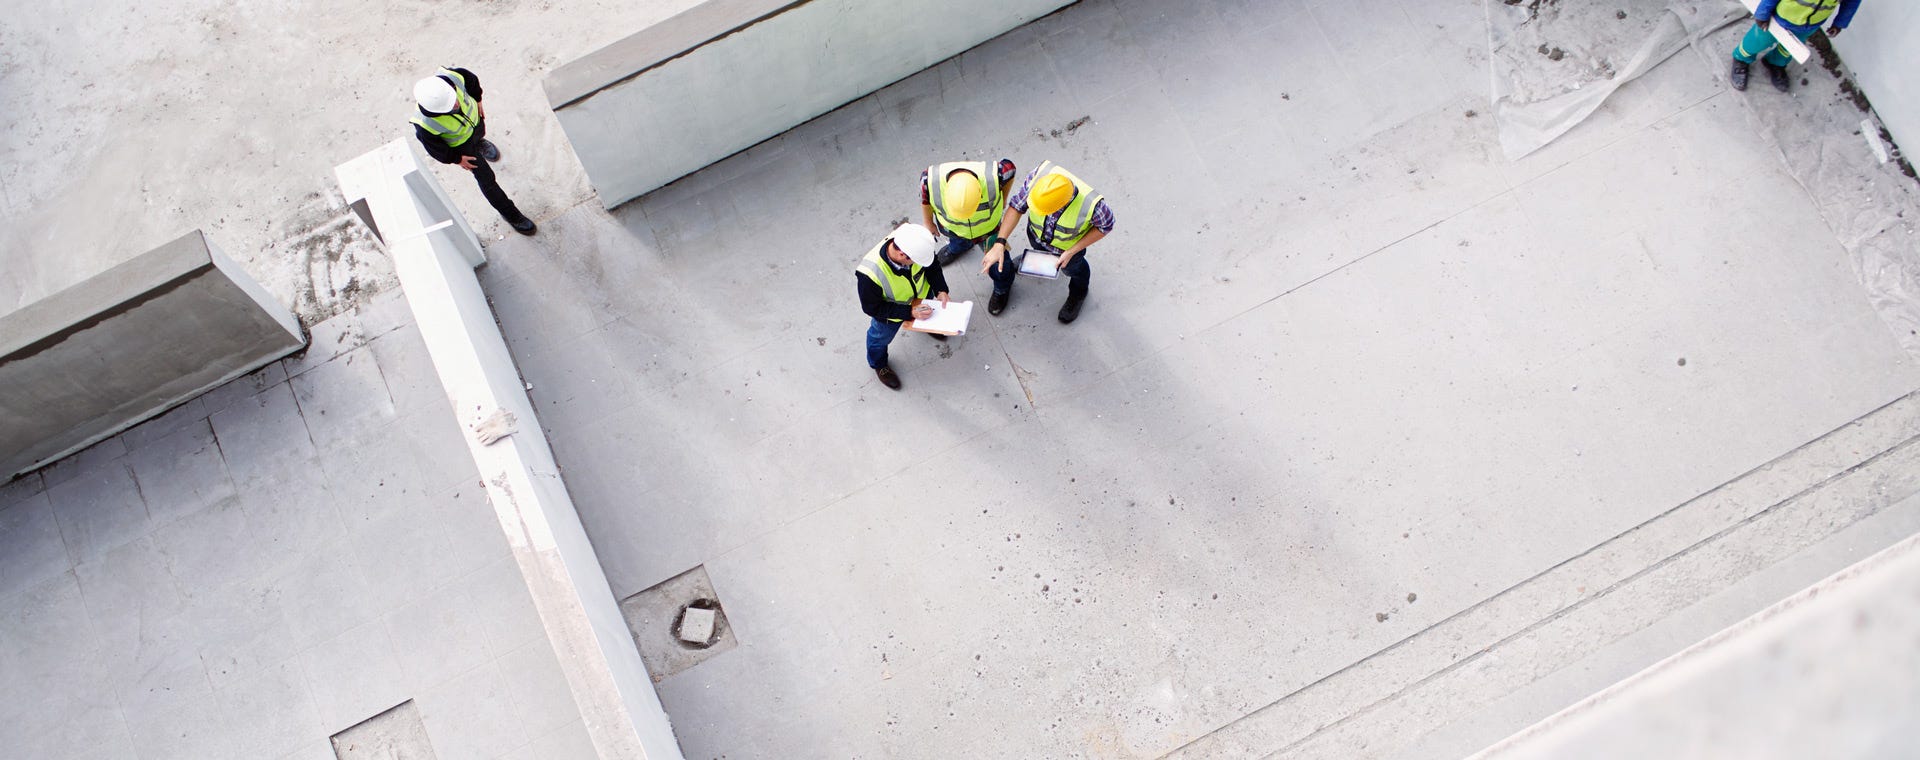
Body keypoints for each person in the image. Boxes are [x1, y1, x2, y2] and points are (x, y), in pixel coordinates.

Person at [978, 161, 1114, 324]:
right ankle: (1033, 260)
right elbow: (1016, 207)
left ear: (1061, 205)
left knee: (1076, 270)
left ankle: (1078, 293)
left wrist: (1072, 251)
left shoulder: (1093, 205)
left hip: (1067, 251)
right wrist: (999, 243)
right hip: (1037, 237)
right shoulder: (1038, 179)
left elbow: (1106, 226)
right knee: (1038, 250)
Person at [411, 68, 537, 235]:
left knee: (479, 133)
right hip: (463, 148)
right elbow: (435, 149)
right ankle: (511, 215)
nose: (455, 105)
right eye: (448, 107)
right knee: (487, 181)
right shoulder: (424, 124)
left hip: (475, 124)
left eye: (453, 99)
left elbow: (471, 79)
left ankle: (480, 143)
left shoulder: (452, 77)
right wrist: (457, 159)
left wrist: (477, 100)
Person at [855, 224, 948, 390]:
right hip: (890, 315)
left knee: (927, 314)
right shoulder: (869, 275)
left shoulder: (916, 245)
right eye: (915, 261)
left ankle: (926, 325)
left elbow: (932, 267)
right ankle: (879, 364)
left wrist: (941, 290)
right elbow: (872, 308)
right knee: (878, 339)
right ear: (902, 254)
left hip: (922, 297)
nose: (919, 263)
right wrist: (909, 312)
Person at [1729, 0, 1862, 93]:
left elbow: (1852, 1)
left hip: (1809, 25)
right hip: (1779, 17)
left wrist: (1840, 23)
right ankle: (1741, 59)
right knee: (1758, 41)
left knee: (1789, 49)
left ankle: (1775, 63)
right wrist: (1763, 12)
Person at [921, 159, 1016, 267]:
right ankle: (959, 247)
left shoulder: (995, 175)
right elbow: (925, 200)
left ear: (980, 191)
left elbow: (1010, 170)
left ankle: (1003, 279)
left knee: (999, 264)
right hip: (955, 230)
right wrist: (928, 222)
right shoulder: (930, 181)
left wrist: (1004, 198)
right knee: (957, 241)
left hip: (988, 229)